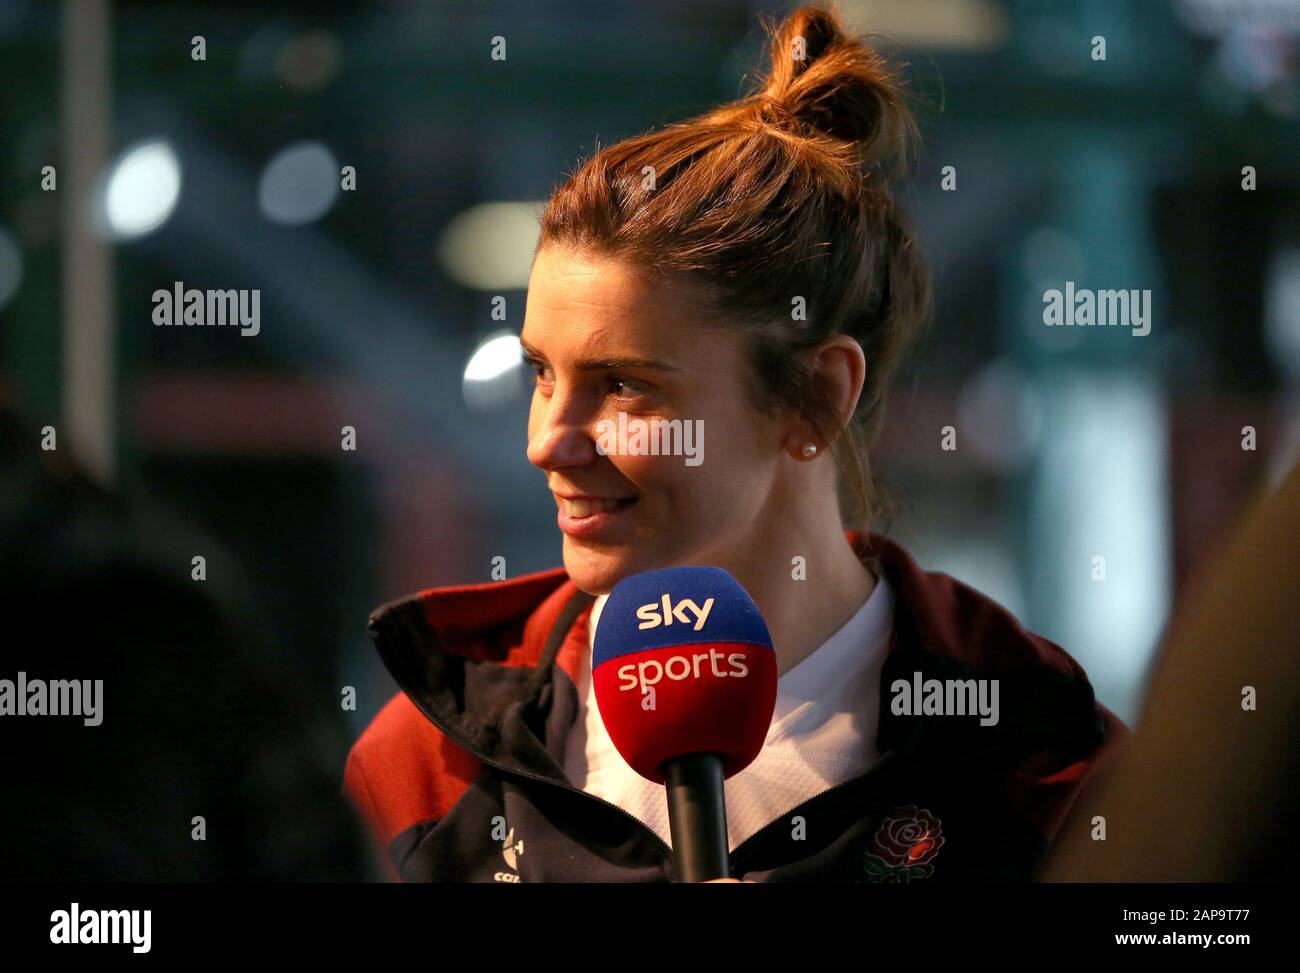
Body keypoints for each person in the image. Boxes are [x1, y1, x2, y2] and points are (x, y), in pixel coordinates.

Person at [343, 3, 1126, 883]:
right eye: (543, 374)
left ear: (816, 398)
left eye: (625, 384)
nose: (547, 442)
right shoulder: (424, 763)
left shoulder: (1053, 769)